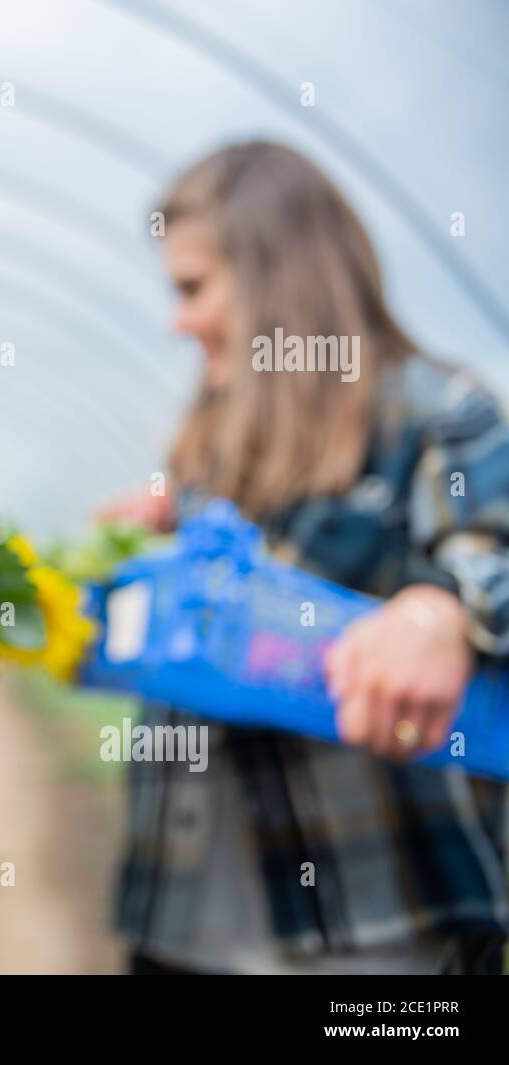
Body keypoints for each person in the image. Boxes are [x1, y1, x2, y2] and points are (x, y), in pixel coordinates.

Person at [103, 141, 509, 975]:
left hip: (369, 931)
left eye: (193, 288)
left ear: (275, 275)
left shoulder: (434, 412)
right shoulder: (210, 445)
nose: (178, 321)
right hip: (180, 916)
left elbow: (488, 549)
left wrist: (440, 614)